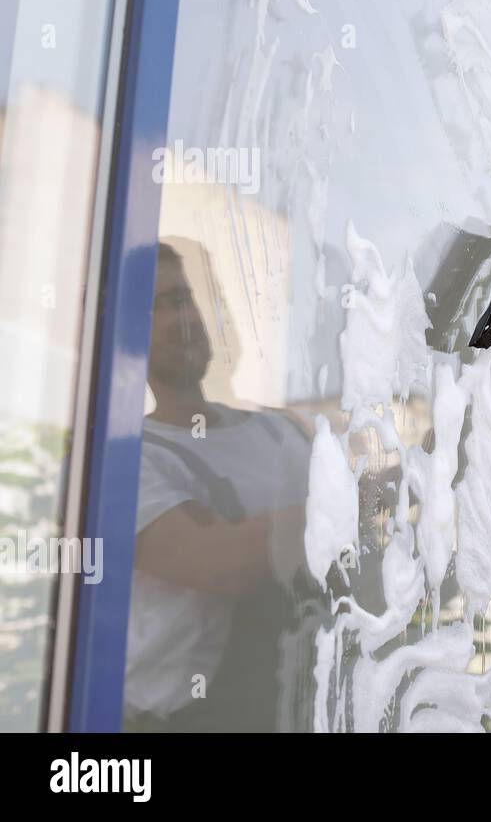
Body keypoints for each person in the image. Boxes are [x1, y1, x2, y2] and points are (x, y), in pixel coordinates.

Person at [123, 242, 315, 731]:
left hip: (299, 707)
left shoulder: (280, 431)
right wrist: (354, 497)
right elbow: (217, 563)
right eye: (156, 307)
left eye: (183, 298)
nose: (181, 318)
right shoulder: (128, 457)